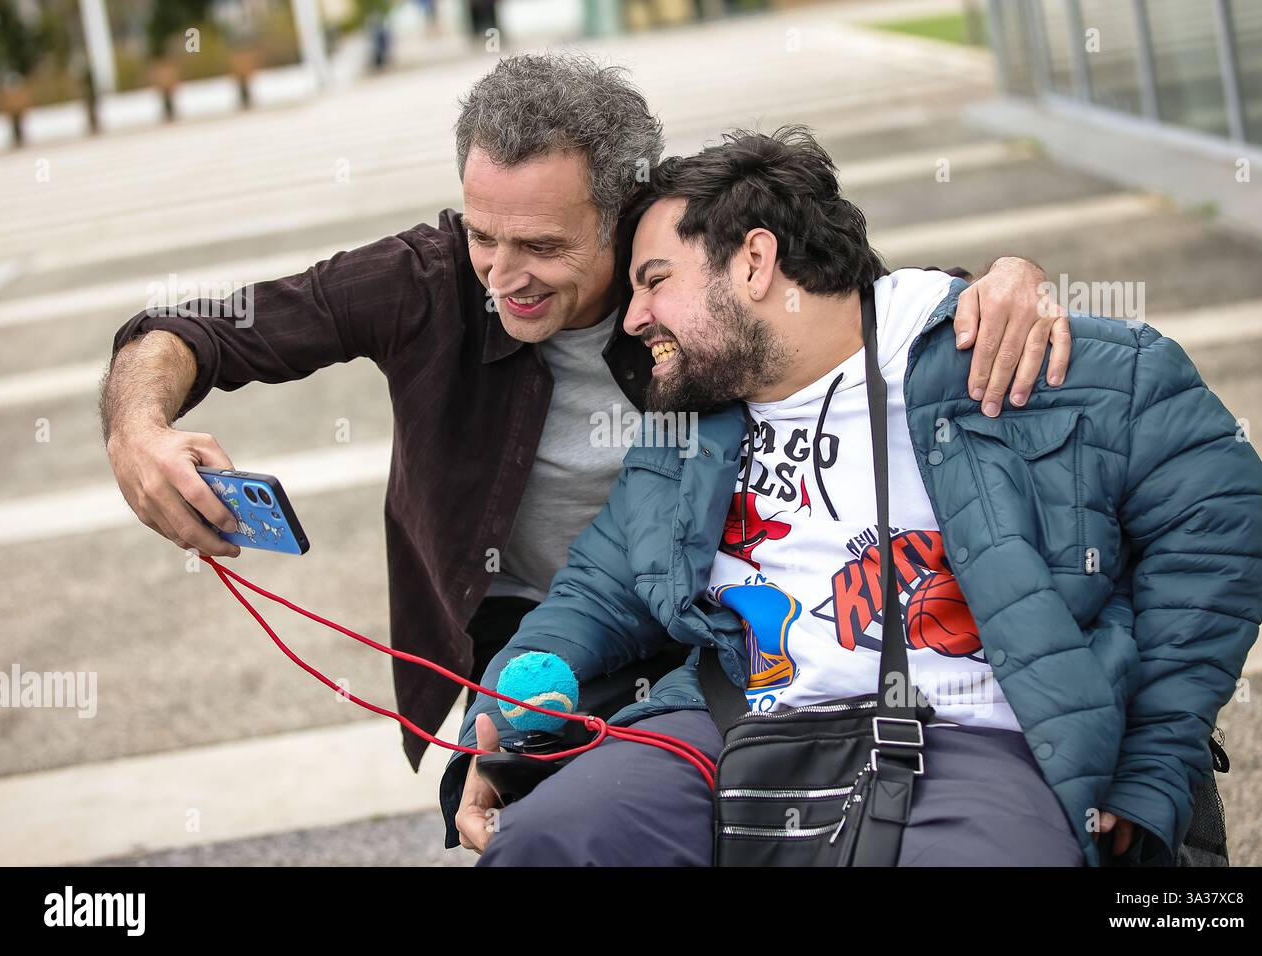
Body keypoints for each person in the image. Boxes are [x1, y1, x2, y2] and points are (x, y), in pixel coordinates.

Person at [101, 55, 1071, 781]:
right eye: (483, 234)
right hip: (520, 645)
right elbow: (192, 331)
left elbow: (861, 305)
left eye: (541, 244)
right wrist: (138, 427)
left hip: (722, 615)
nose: (502, 274)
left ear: (624, 211)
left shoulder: (693, 232)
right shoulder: (430, 280)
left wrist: (1002, 282)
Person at [444, 127, 1262, 866]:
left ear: (756, 261)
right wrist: (512, 695)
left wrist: (1157, 754)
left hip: (975, 736)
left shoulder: (1008, 351)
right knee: (548, 842)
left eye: (655, 280)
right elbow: (599, 587)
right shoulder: (691, 434)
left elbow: (1213, 518)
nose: (635, 319)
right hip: (731, 726)